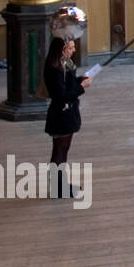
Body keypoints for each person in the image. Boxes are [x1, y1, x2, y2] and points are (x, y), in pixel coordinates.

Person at [43, 37, 90, 189]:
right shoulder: (54, 69)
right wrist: (82, 87)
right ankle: (57, 188)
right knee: (59, 151)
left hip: (67, 114)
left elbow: (67, 85)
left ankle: (60, 185)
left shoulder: (65, 65)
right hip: (60, 115)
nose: (73, 50)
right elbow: (61, 95)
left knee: (62, 151)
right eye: (70, 48)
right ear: (61, 51)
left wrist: (79, 80)